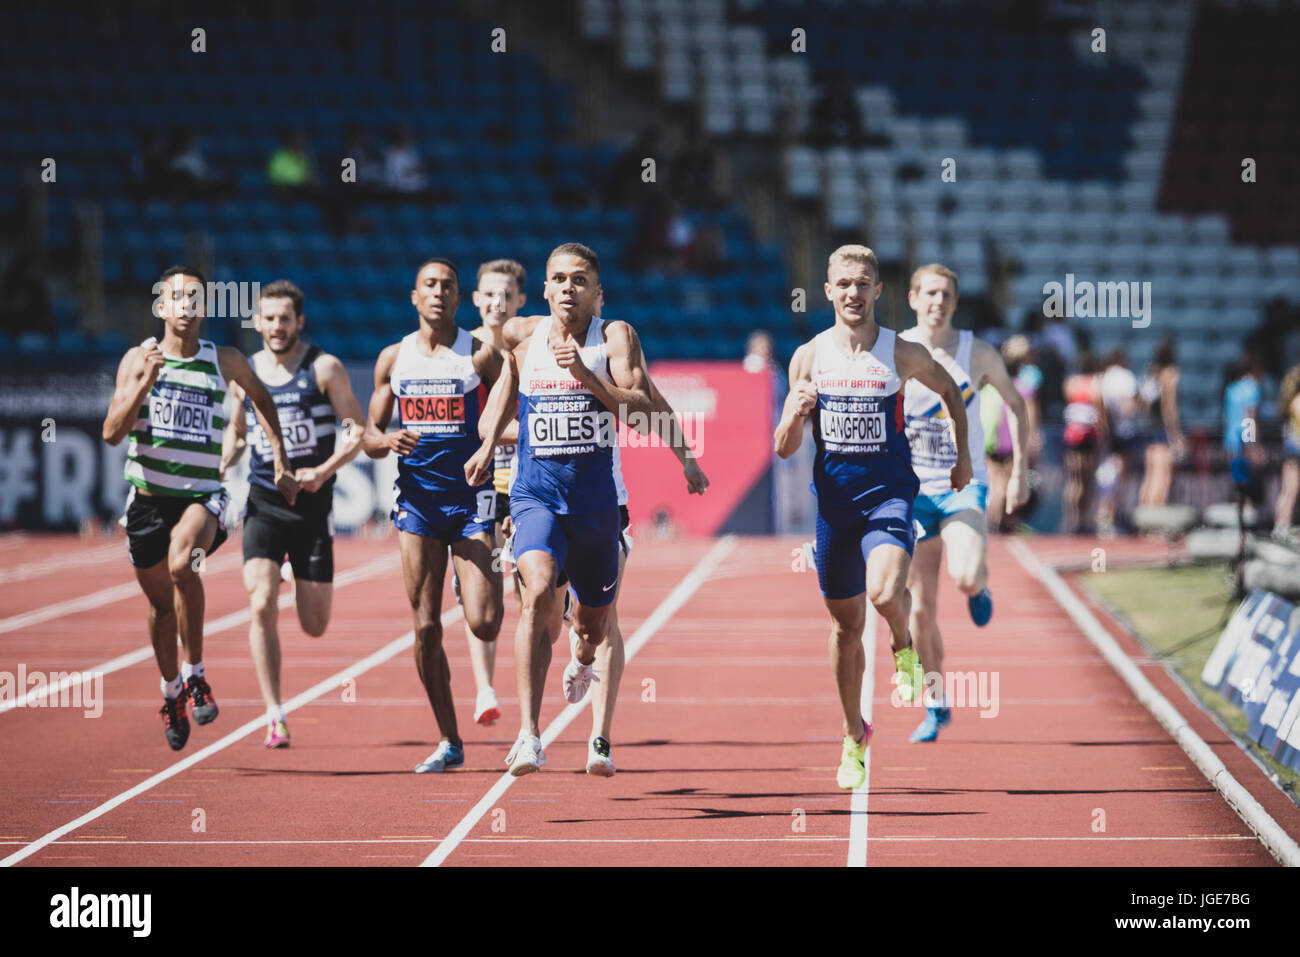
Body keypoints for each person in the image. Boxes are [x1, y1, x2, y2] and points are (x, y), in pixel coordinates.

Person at [773, 245, 971, 789]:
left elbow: (952, 391)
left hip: (891, 495)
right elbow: (785, 448)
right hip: (835, 507)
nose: (854, 293)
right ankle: (853, 733)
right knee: (844, 626)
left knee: (885, 595)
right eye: (844, 284)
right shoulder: (808, 357)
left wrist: (965, 457)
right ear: (829, 290)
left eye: (864, 284)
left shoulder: (901, 352)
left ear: (878, 291)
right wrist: (794, 414)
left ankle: (903, 645)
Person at [465, 242, 653, 776]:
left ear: (598, 293)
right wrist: (485, 446)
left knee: (593, 627)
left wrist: (589, 379)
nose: (568, 288)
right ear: (544, 289)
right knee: (537, 594)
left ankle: (583, 657)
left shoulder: (614, 336)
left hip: (596, 505)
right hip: (535, 495)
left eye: (579, 280)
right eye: (559, 279)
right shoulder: (521, 335)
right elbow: (507, 389)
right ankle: (529, 735)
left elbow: (639, 409)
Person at [102, 265, 298, 750]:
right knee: (160, 608)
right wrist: (144, 383)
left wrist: (279, 455)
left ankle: (196, 674)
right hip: (147, 500)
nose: (187, 305)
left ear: (206, 307)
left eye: (196, 297)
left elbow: (262, 400)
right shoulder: (138, 360)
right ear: (161, 307)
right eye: (177, 297)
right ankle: (172, 692)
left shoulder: (224, 359)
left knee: (181, 562)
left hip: (201, 495)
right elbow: (111, 432)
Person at [362, 258, 505, 773]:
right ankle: (450, 739)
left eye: (448, 285)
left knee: (486, 625)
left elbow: (513, 390)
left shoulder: (478, 354)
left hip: (469, 504)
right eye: (430, 285)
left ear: (458, 297)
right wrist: (385, 439)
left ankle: (477, 579)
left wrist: (489, 440)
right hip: (418, 506)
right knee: (425, 628)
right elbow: (368, 435)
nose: (439, 292)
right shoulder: (392, 358)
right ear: (414, 296)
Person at [220, 280, 364, 748]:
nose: (276, 327)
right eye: (268, 318)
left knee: (314, 625)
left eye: (285, 319)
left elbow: (356, 431)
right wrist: (225, 457)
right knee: (260, 601)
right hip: (264, 503)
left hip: (312, 506)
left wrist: (322, 471)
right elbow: (235, 432)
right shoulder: (244, 373)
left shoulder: (324, 368)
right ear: (256, 321)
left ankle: (292, 566)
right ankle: (274, 712)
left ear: (299, 321)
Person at [901, 265, 1029, 741]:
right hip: (912, 493)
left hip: (962, 484)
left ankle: (979, 590)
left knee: (965, 574)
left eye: (947, 294)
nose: (938, 301)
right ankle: (936, 704)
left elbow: (1017, 405)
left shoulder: (978, 352)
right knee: (919, 609)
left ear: (956, 302)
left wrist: (1018, 473)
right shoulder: (895, 350)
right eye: (930, 293)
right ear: (913, 298)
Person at [981, 334, 1043, 532]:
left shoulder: (993, 386)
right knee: (1008, 485)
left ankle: (992, 524)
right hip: (1012, 443)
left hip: (991, 442)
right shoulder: (1024, 389)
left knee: (996, 485)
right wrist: (1033, 442)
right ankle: (1005, 524)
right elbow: (1031, 419)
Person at [1096, 350, 1143, 536]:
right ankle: (1111, 514)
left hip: (1106, 430)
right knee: (1119, 475)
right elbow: (1128, 407)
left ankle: (1104, 514)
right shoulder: (1125, 377)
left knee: (1107, 472)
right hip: (1122, 431)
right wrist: (1141, 404)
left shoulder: (1104, 377)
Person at [1137, 339, 1183, 508]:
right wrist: (1175, 433)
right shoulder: (1170, 374)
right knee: (1163, 477)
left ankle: (1144, 517)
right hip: (1162, 429)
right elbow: (1170, 407)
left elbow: (1142, 403)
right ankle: (1155, 520)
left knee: (1150, 475)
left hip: (1149, 426)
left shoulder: (1151, 373)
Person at [1061, 354, 1104, 534]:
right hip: (1087, 436)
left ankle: (1071, 519)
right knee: (1086, 480)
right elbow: (1100, 412)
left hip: (1072, 435)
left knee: (1073, 480)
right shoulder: (1095, 385)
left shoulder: (1070, 383)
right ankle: (1083, 519)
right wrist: (1104, 433)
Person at [1275, 364, 1300, 544]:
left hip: (1292, 450)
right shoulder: (1297, 401)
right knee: (1290, 491)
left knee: (1288, 491)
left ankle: (1281, 527)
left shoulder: (1290, 400)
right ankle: (1281, 527)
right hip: (1295, 452)